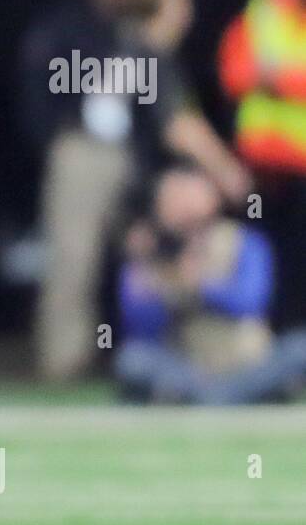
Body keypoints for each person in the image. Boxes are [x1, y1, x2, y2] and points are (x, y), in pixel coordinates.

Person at [21, 0, 248, 381]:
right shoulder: (78, 28)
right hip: (86, 154)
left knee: (154, 248)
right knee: (74, 258)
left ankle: (171, 356)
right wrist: (225, 169)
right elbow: (178, 126)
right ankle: (63, 364)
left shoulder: (137, 38)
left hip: (134, 162)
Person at [115, 166, 306, 403]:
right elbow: (140, 329)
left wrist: (201, 287)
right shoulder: (152, 251)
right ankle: (224, 398)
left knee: (300, 347)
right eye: (171, 197)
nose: (181, 205)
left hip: (247, 365)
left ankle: (213, 398)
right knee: (132, 359)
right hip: (191, 369)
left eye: (187, 193)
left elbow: (252, 303)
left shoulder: (244, 241)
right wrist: (149, 276)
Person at [219, 0, 306, 324]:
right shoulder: (261, 13)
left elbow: (276, 78)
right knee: (263, 258)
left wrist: (281, 80)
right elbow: (234, 76)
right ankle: (269, 349)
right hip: (265, 167)